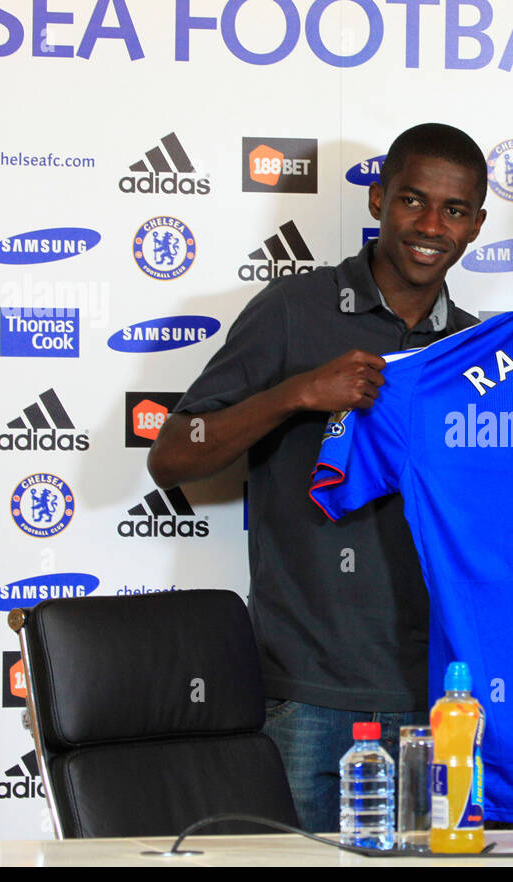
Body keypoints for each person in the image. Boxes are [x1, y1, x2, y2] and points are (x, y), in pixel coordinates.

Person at [147, 123, 488, 833]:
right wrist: (296, 394)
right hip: (303, 691)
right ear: (377, 200)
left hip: (435, 692)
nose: (430, 226)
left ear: (476, 225)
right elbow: (174, 454)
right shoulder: (292, 311)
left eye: (454, 211)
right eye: (412, 201)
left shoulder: (478, 350)